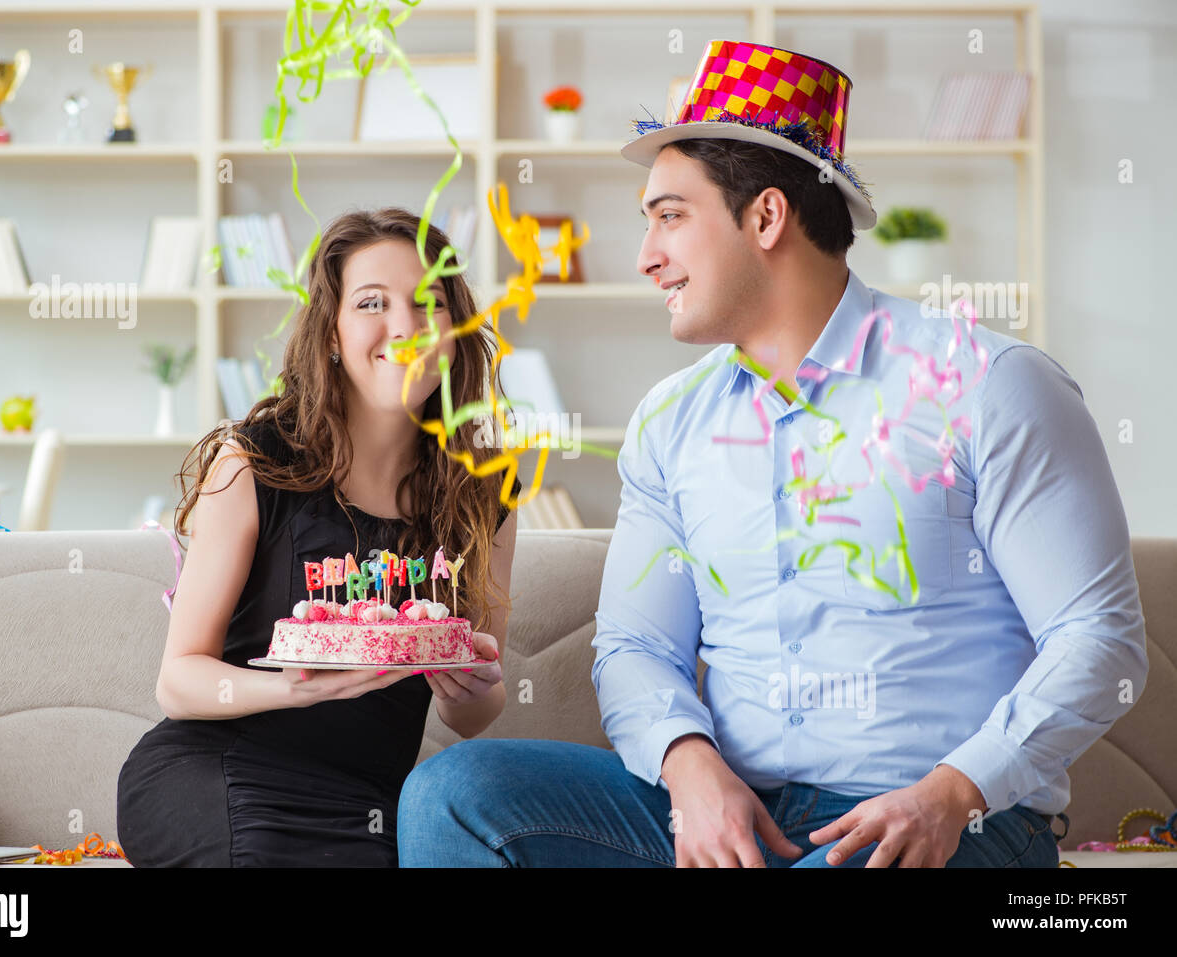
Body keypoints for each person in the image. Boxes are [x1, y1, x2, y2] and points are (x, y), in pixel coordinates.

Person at [397, 41, 1147, 868]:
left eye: (669, 216)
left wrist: (953, 790)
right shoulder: (670, 422)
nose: (646, 255)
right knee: (455, 794)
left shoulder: (989, 385)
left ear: (766, 217)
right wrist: (691, 768)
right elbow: (638, 648)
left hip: (948, 821)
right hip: (739, 812)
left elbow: (1099, 638)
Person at [117, 207, 518, 866]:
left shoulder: (484, 491)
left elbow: (474, 711)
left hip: (367, 799)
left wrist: (474, 685)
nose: (405, 326)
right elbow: (178, 680)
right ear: (331, 332)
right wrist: (297, 688)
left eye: (430, 303)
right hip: (217, 769)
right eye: (371, 302)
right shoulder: (253, 464)